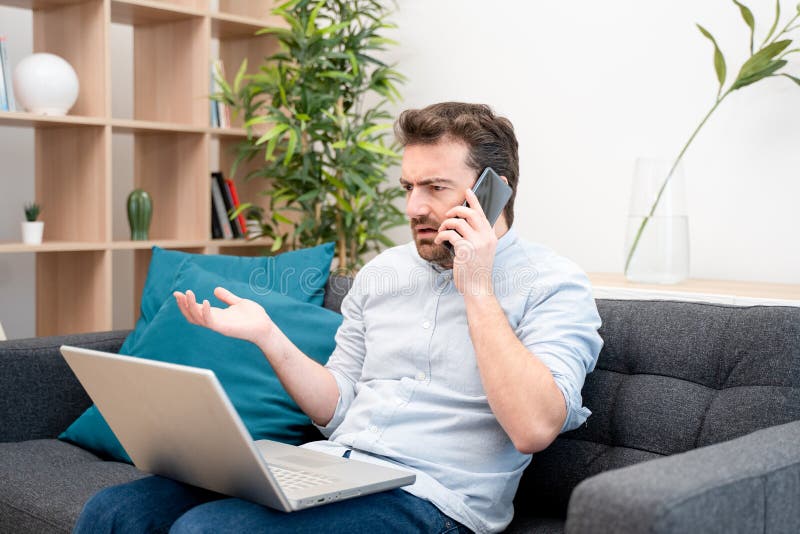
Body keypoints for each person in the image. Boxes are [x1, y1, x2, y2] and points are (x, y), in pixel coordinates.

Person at [74, 102, 602, 534]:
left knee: (212, 531)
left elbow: (534, 427)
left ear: (495, 189)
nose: (414, 208)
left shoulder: (554, 284)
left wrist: (478, 288)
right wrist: (268, 336)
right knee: (114, 513)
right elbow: (340, 403)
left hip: (435, 500)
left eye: (435, 188)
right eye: (407, 187)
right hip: (335, 466)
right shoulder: (384, 272)